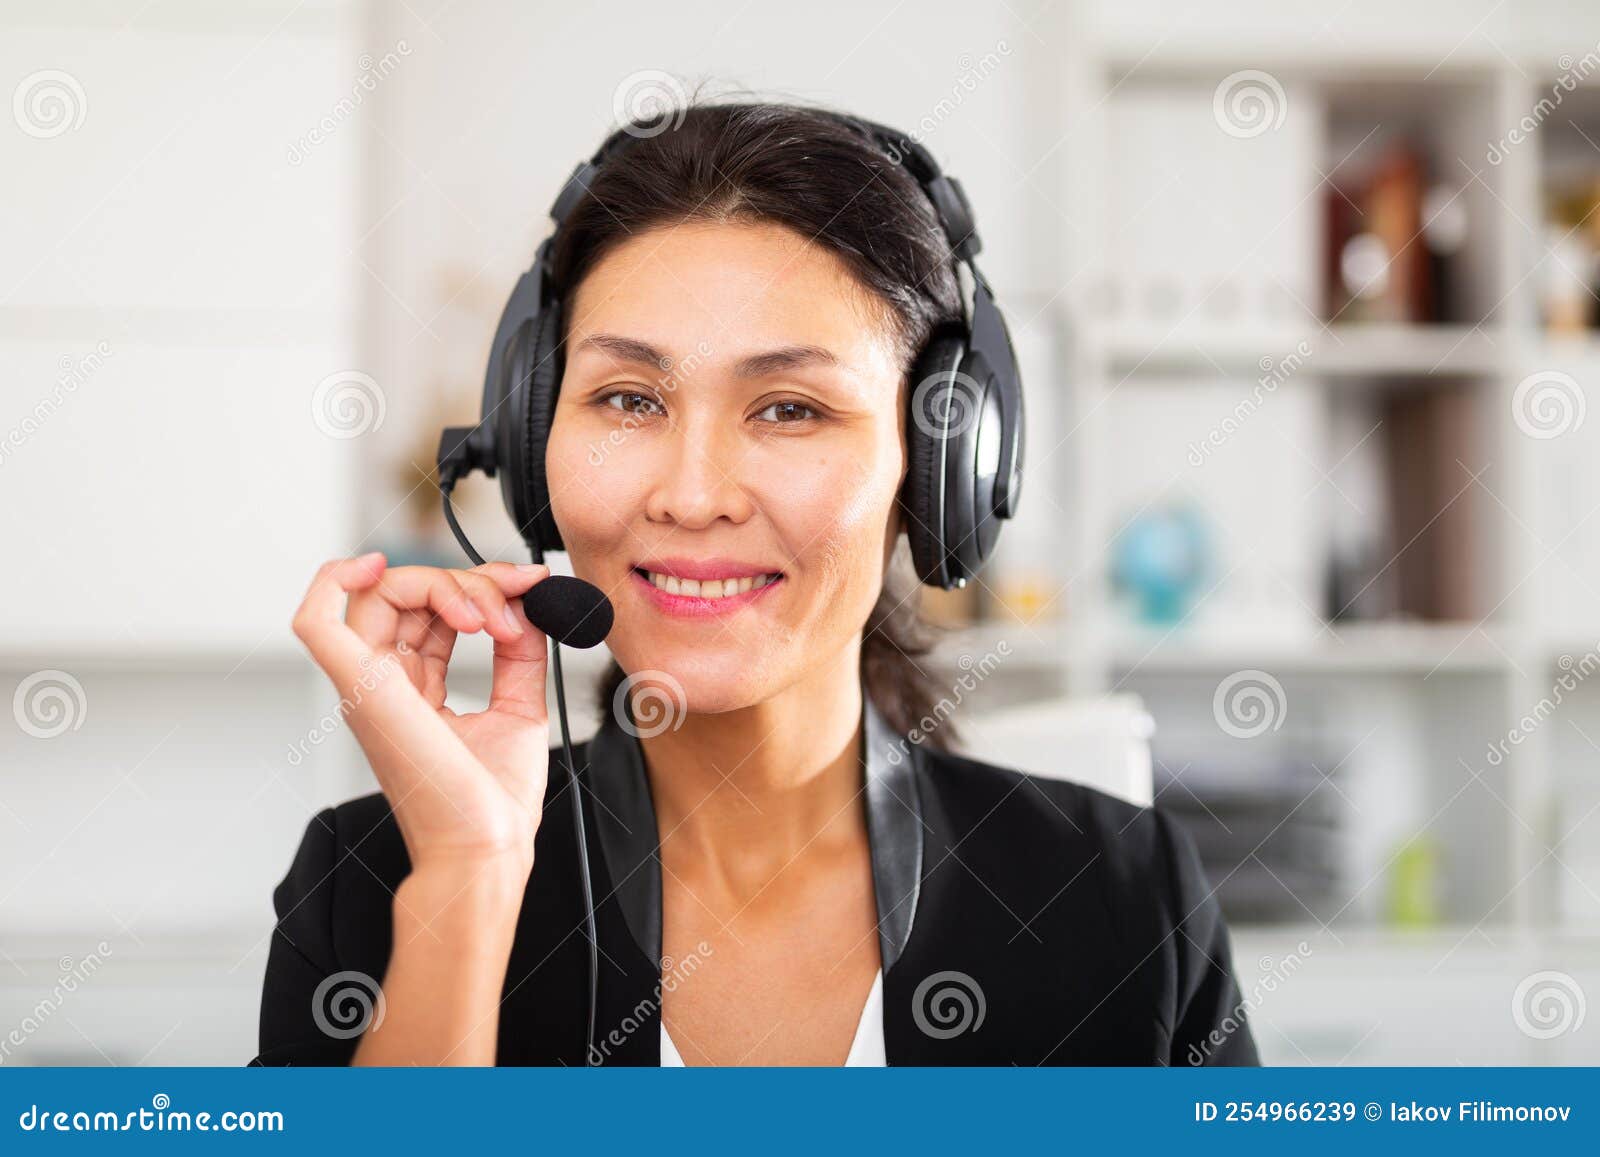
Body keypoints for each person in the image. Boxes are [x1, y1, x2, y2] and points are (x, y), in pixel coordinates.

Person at [252, 99, 1260, 1067]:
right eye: (628, 398)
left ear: (938, 464)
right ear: (530, 440)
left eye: (789, 409)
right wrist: (468, 880)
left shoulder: (1124, 890)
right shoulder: (375, 878)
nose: (693, 496)